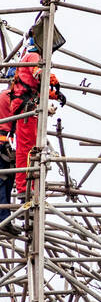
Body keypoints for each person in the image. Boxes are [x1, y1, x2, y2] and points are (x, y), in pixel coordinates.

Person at [9, 34, 65, 206]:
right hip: (26, 111)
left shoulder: (29, 56)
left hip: (30, 108)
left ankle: (30, 187)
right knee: (26, 150)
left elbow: (36, 87)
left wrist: (55, 94)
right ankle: (23, 189)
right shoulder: (33, 56)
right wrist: (52, 79)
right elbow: (39, 75)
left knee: (31, 149)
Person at [0, 86, 15, 234]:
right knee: (2, 181)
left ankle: (5, 219)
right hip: (2, 144)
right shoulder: (7, 95)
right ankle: (3, 219)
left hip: (6, 144)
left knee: (7, 182)